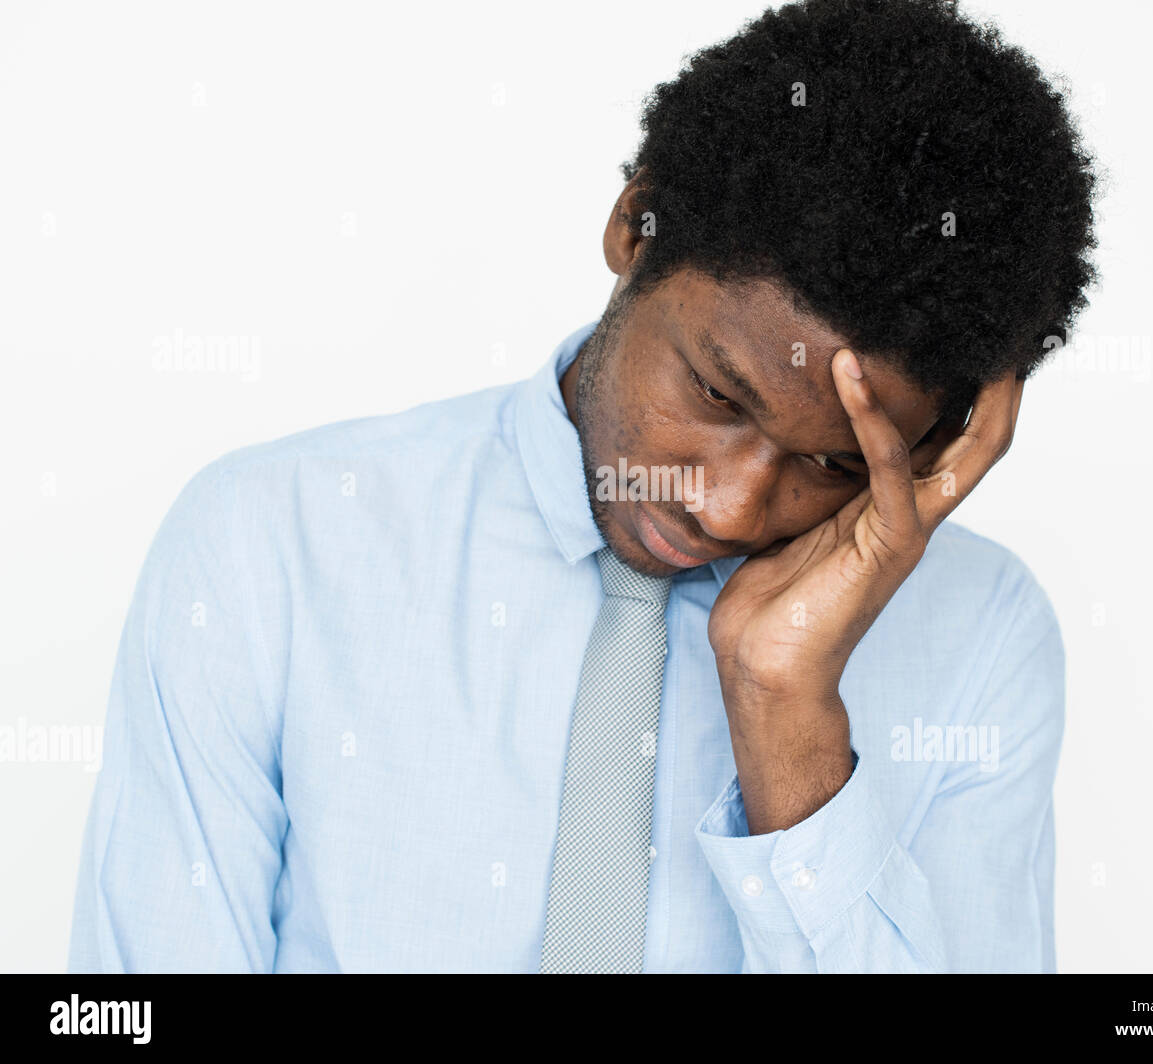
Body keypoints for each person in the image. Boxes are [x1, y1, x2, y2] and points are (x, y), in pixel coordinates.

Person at [69, 0, 1097, 973]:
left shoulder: (981, 634)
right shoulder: (270, 543)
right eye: (717, 392)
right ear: (635, 226)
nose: (732, 505)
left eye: (834, 463)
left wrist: (788, 723)